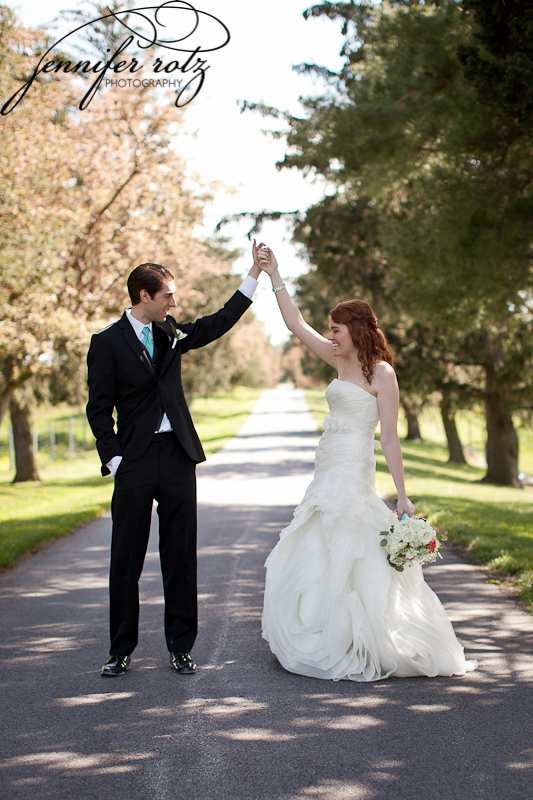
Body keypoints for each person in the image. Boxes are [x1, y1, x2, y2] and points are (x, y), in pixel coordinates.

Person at [258, 245, 477, 681]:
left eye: (337, 328)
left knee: (350, 536)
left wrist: (402, 495)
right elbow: (294, 323)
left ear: (356, 329)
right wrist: (274, 274)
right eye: (331, 330)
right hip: (327, 462)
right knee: (319, 536)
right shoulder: (336, 359)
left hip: (354, 466)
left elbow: (390, 438)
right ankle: (320, 626)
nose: (331, 335)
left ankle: (364, 633)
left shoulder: (381, 374)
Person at [86, 246, 262, 677]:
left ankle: (181, 647)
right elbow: (98, 408)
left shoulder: (172, 333)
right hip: (134, 463)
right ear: (144, 295)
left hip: (178, 456)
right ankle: (120, 650)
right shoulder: (106, 343)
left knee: (180, 557)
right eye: (168, 295)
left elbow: (219, 321)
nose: (174, 303)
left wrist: (254, 273)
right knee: (126, 558)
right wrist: (114, 459)